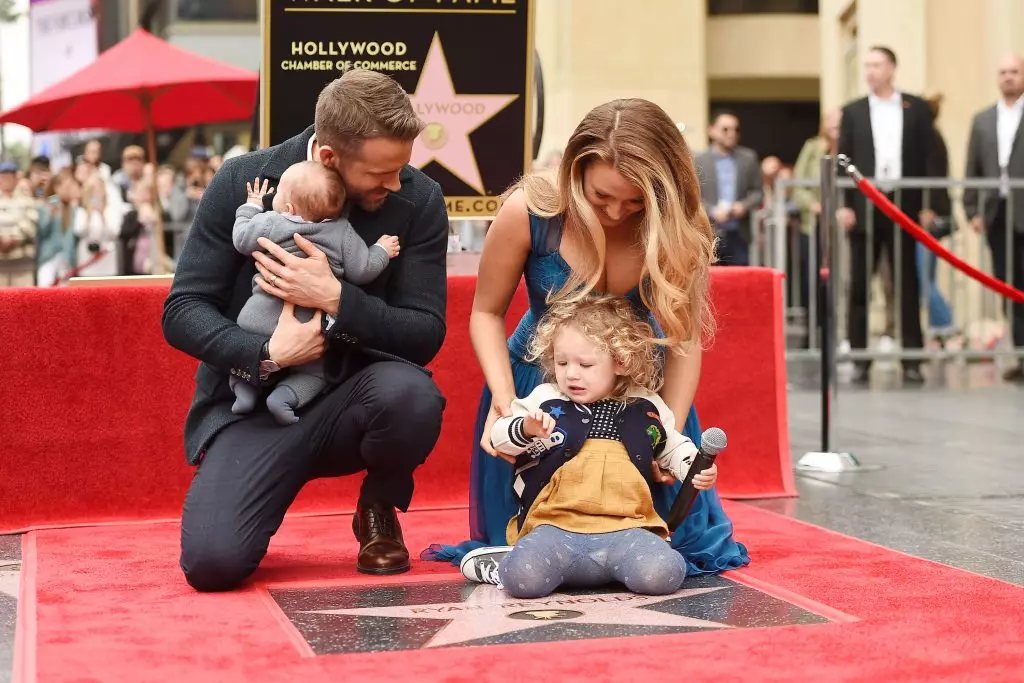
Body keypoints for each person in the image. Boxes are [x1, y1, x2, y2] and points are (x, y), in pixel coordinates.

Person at [423, 98, 749, 577]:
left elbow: (683, 340)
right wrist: (505, 398)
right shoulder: (530, 211)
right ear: (575, 169)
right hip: (537, 395)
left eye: (636, 201)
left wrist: (667, 434)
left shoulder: (682, 226)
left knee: (669, 538)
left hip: (643, 397)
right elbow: (486, 313)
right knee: (528, 536)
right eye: (601, 198)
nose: (617, 212)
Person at [162, 69, 449, 592]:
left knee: (413, 396)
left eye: (401, 169)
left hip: (360, 398)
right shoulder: (244, 181)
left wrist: (338, 300)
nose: (396, 183)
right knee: (212, 563)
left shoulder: (421, 199)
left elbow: (425, 332)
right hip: (258, 401)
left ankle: (379, 502)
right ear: (329, 158)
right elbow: (184, 310)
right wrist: (266, 351)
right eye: (381, 173)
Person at [459, 296, 718, 598]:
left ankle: (607, 565)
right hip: (554, 528)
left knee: (663, 575)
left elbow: (673, 447)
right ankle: (506, 565)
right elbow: (500, 437)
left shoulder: (646, 406)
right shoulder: (545, 399)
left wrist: (694, 468)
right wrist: (526, 428)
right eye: (562, 362)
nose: (571, 374)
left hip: (627, 530)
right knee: (522, 580)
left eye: (585, 364)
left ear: (620, 362)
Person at [230, 165, 401, 424]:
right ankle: (286, 397)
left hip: (257, 319)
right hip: (312, 331)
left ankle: (244, 387)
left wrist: (251, 206)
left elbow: (241, 238)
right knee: (316, 374)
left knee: (249, 355)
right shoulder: (342, 230)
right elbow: (363, 270)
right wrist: (381, 250)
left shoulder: (273, 222)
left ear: (288, 208)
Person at [837, 46, 940, 385]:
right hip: (866, 205)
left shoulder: (916, 108)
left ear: (892, 68)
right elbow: (843, 160)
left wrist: (931, 204)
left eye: (877, 65)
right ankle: (860, 358)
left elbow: (931, 158)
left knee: (907, 282)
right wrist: (845, 204)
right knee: (860, 286)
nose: (870, 71)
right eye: (867, 66)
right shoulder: (852, 112)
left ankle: (912, 358)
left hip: (903, 204)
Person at [963, 53, 1024, 382]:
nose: (1008, 77)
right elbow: (972, 166)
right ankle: (1020, 353)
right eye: (1003, 72)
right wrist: (972, 209)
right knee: (1008, 285)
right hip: (997, 216)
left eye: (1014, 71)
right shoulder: (983, 120)